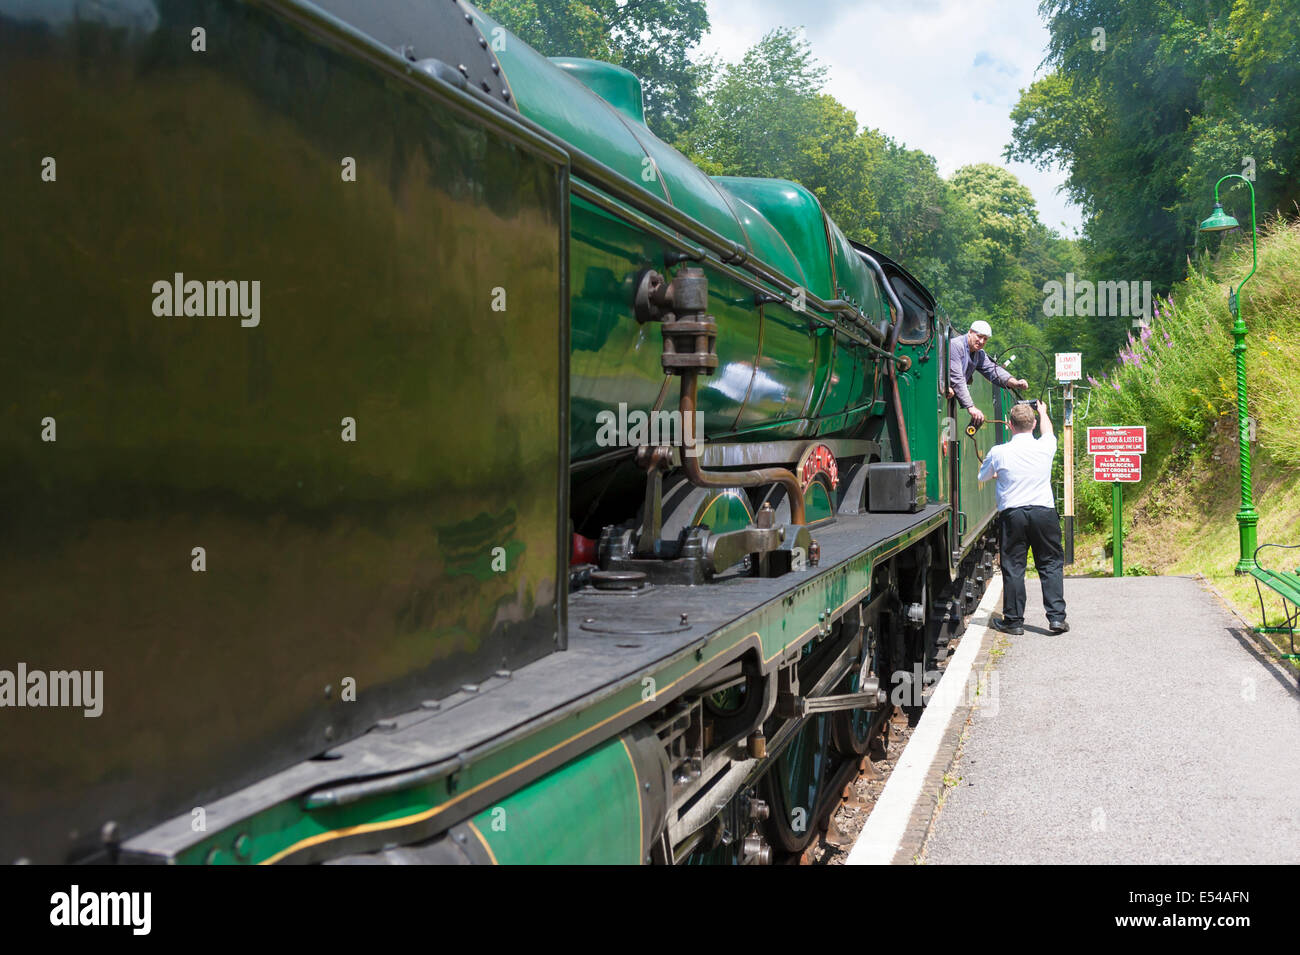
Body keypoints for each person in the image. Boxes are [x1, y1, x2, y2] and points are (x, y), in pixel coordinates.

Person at [977, 400, 1069, 635]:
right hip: (1044, 512)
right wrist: (1044, 411)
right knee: (1049, 563)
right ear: (1034, 423)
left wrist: (998, 473)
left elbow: (983, 476)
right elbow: (1047, 431)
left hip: (1013, 514)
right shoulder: (1046, 446)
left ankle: (1014, 621)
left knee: (1014, 567)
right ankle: (1057, 618)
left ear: (1010, 425)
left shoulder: (999, 452)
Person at [948, 320, 1028, 425]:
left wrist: (1015, 382)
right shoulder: (956, 346)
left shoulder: (979, 354)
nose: (981, 341)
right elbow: (957, 379)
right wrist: (971, 407)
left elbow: (992, 370)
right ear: (970, 332)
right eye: (979, 336)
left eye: (985, 339)